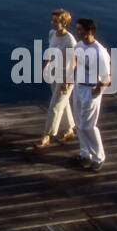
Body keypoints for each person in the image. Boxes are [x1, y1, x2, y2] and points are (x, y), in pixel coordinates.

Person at [70, 18, 112, 171]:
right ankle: (84, 153)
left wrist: (98, 88)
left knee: (88, 125)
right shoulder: (79, 46)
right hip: (78, 86)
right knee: (78, 122)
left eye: (80, 29)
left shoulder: (99, 52)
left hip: (91, 89)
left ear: (89, 31)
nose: (77, 31)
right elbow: (75, 61)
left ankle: (98, 157)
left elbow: (107, 77)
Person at [34, 9, 77, 149]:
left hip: (65, 76)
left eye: (56, 21)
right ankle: (69, 129)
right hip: (54, 73)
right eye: (52, 20)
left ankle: (47, 135)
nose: (53, 23)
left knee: (54, 107)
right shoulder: (52, 34)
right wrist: (45, 66)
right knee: (61, 103)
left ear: (64, 23)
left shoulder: (70, 41)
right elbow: (49, 51)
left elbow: (73, 64)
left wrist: (67, 82)